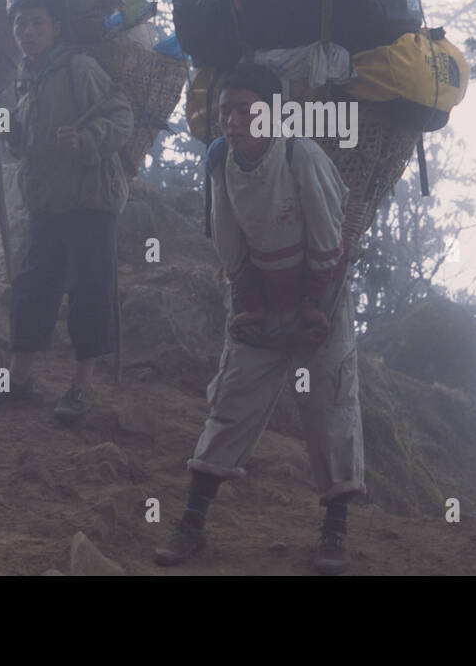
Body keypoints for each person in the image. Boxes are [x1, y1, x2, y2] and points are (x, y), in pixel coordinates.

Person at [155, 63, 365, 575]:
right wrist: (247, 301)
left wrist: (314, 303)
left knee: (329, 404)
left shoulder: (300, 155)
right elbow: (228, 239)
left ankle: (335, 530)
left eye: (245, 110)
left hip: (321, 298)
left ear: (274, 113)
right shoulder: (220, 159)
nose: (232, 121)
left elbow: (327, 238)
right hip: (260, 299)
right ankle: (191, 522)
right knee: (232, 401)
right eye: (225, 111)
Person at [0, 0, 132, 425]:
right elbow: (29, 139)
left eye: (37, 22)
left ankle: (82, 386)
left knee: (89, 290)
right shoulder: (26, 75)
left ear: (56, 27)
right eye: (20, 23)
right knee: (31, 287)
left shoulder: (80, 68)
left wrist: (87, 140)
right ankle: (17, 379)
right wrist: (13, 135)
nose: (27, 31)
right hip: (47, 201)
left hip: (91, 199)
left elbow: (121, 117)